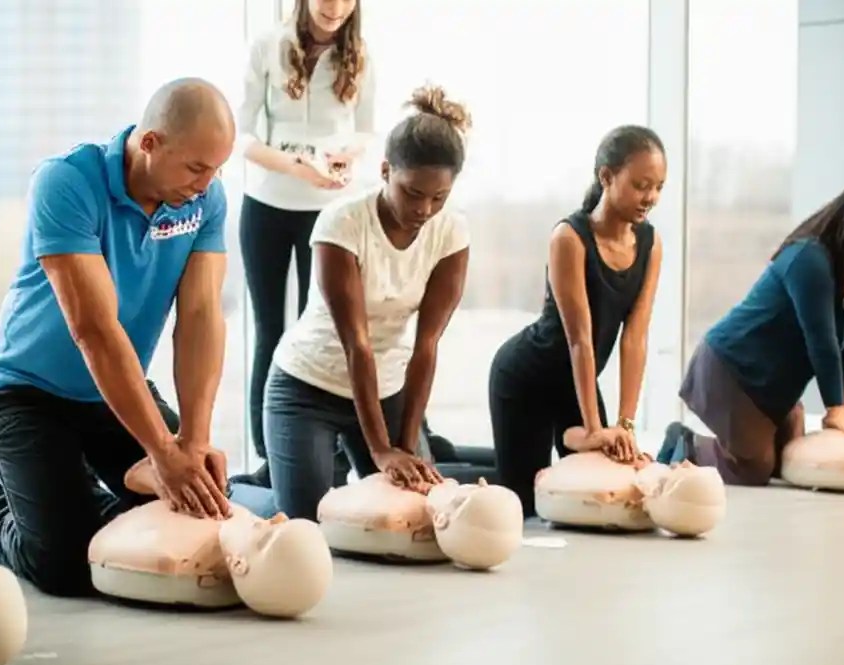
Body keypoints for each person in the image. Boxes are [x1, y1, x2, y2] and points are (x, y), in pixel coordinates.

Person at [0, 78, 236, 598]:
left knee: (194, 510)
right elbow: (95, 330)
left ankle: (67, 491)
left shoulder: (204, 198)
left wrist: (191, 441)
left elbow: (200, 315)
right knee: (66, 566)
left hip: (115, 392)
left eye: (217, 169)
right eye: (196, 167)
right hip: (28, 394)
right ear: (150, 143)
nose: (207, 182)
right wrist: (161, 453)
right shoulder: (66, 182)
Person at [232, 85, 472, 522]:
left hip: (387, 388)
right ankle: (237, 490)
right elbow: (356, 344)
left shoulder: (451, 234)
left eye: (439, 197)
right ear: (384, 171)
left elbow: (426, 345)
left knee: (414, 511)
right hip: (307, 386)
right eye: (413, 192)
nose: (425, 208)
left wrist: (403, 446)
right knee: (304, 519)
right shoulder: (341, 223)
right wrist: (381, 450)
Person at [657, 172, 844, 486]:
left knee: (791, 462)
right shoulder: (810, 258)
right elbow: (822, 340)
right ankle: (684, 444)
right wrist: (835, 409)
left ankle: (744, 439)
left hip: (774, 386)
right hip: (730, 370)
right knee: (754, 469)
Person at [488, 125, 666, 518]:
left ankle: (554, 442)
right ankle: (445, 464)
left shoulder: (650, 244)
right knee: (524, 504)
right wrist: (592, 429)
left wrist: (623, 425)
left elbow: (635, 337)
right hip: (527, 379)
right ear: (606, 176)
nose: (650, 197)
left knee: (594, 488)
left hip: (576, 384)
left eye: (658, 187)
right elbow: (580, 339)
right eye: (640, 185)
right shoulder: (569, 237)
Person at [236, 0, 375, 477]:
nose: (334, 8)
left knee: (319, 331)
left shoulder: (361, 54)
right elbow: (241, 137)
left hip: (329, 213)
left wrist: (341, 155)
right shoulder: (267, 46)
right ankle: (266, 449)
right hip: (268, 205)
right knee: (270, 330)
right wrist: (295, 165)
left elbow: (366, 132)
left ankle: (325, 448)